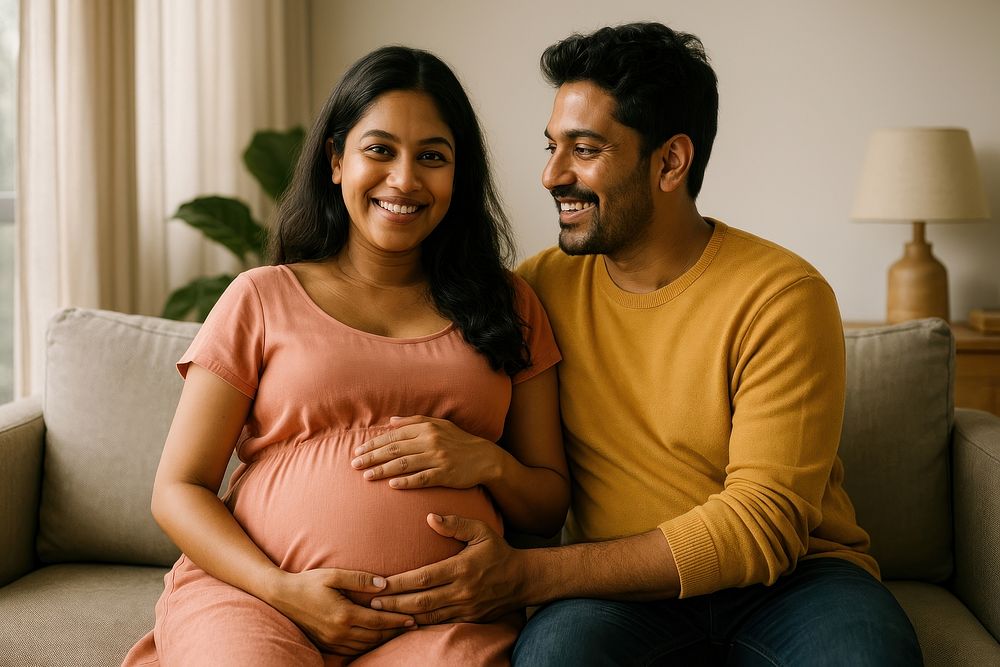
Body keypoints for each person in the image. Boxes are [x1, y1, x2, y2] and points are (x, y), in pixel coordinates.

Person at [365, 23, 923, 665]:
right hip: (618, 594)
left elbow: (762, 525)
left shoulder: (782, 295)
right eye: (551, 146)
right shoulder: (536, 290)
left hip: (795, 583)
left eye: (585, 149)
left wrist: (529, 575)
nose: (551, 175)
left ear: (670, 162)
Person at [122, 45, 568, 667]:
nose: (404, 180)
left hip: (440, 621)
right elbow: (178, 489)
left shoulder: (509, 305)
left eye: (432, 157)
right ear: (336, 160)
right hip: (260, 600)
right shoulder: (261, 296)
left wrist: (489, 463)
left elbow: (547, 507)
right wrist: (282, 589)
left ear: (458, 175)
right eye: (379, 150)